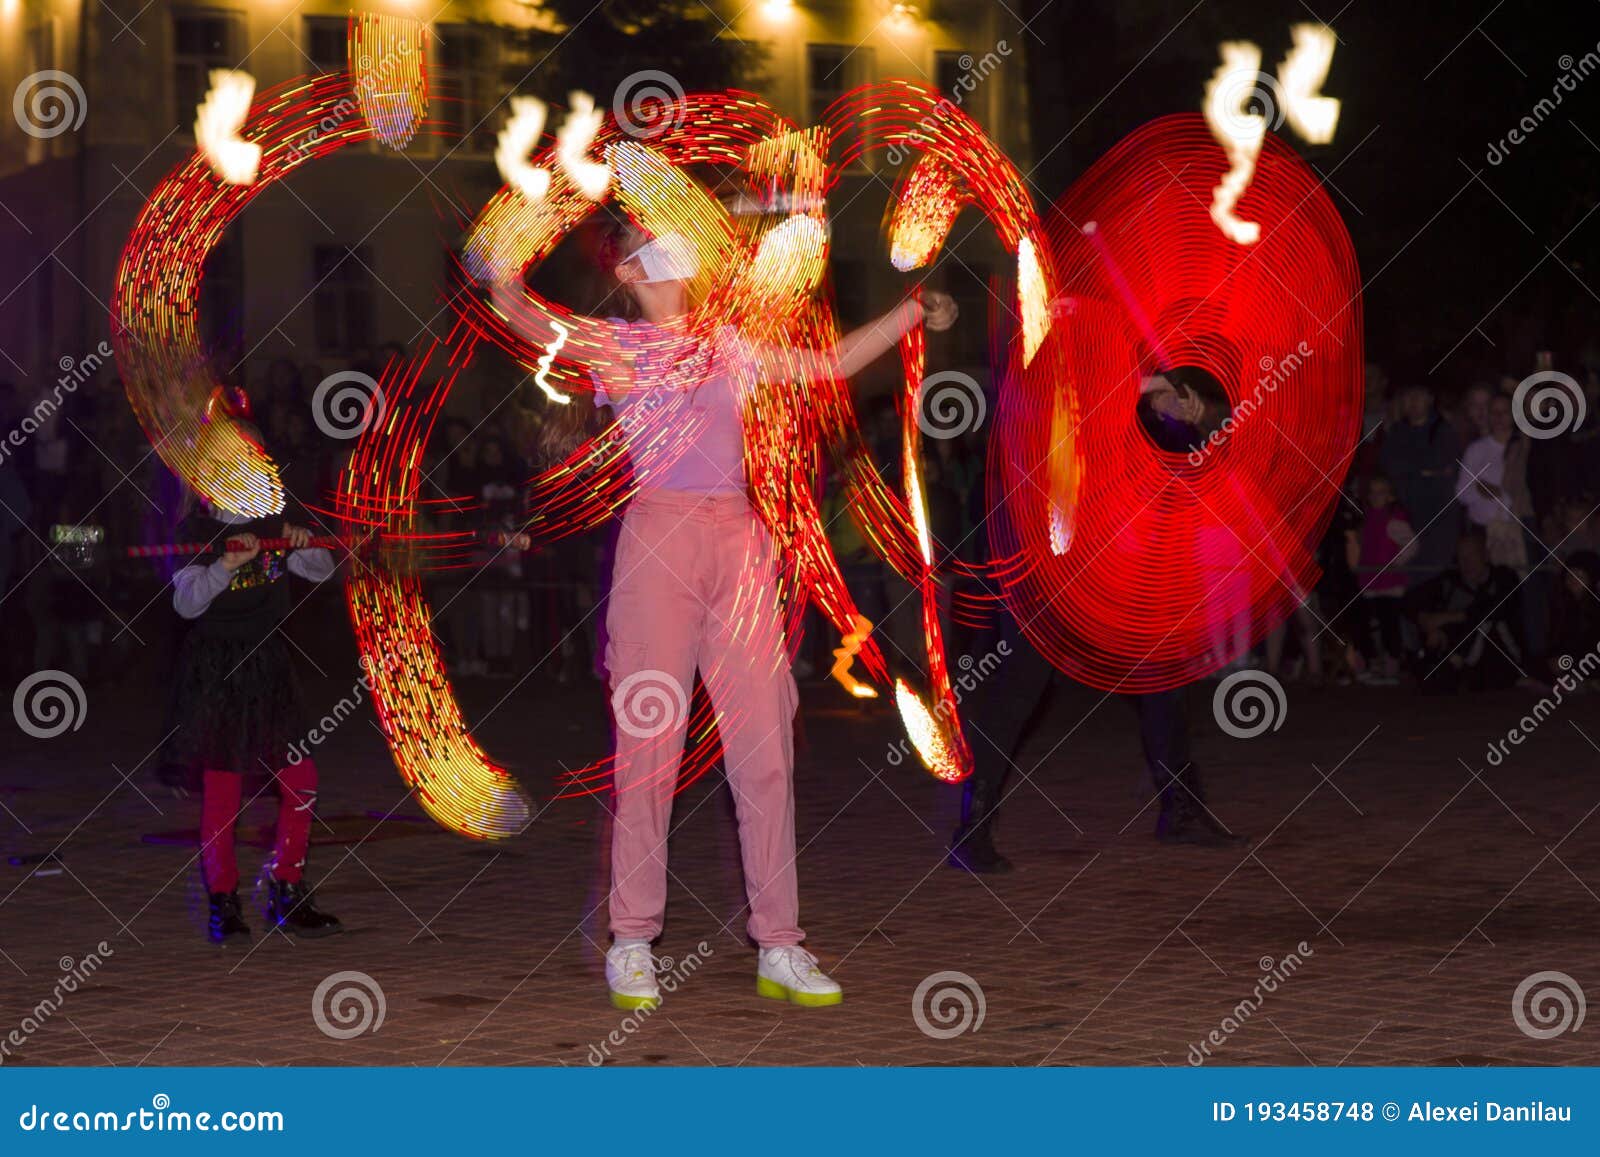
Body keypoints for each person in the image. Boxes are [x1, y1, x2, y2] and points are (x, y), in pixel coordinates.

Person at [493, 220, 958, 1010]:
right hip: (659, 544)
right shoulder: (617, 345)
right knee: (650, 750)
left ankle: (780, 943)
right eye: (640, 248)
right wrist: (501, 258)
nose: (655, 254)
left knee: (766, 748)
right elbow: (524, 316)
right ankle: (633, 939)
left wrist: (912, 312)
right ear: (629, 274)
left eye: (659, 242)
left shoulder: (728, 346)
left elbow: (827, 365)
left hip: (740, 541)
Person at [949, 368, 1248, 876]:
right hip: (1043, 573)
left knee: (1160, 680)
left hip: (1116, 580)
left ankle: (1181, 809)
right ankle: (973, 827)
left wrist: (1200, 414)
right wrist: (1152, 387)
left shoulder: (1158, 432)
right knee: (1018, 693)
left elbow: (1217, 450)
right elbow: (1092, 396)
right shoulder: (1062, 398)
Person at [170, 473, 343, 944]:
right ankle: (223, 901)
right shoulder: (197, 531)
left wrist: (302, 546)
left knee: (301, 781)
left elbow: (323, 570)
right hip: (218, 671)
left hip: (268, 664)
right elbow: (185, 604)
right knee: (224, 792)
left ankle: (287, 888)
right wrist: (225, 564)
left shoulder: (276, 520)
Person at [1406, 528, 1523, 694]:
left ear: (1486, 555)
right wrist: (1427, 621)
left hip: (1502, 657)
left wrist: (1448, 618)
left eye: (1471, 555)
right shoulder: (1450, 581)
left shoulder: (1504, 578)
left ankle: (1453, 664)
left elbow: (1494, 608)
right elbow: (1410, 600)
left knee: (1484, 622)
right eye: (1461, 557)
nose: (1466, 563)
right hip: (1466, 657)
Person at [1381, 383, 1459, 578]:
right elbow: (1390, 468)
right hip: (1405, 517)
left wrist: (1416, 470)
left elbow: (1442, 467)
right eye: (1409, 395)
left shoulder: (1443, 430)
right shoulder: (1396, 432)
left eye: (1419, 395)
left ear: (1430, 399)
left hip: (1438, 518)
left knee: (1436, 574)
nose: (1414, 401)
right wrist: (1421, 471)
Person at [1349, 475, 1415, 685]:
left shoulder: (1394, 520)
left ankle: (1392, 663)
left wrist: (1395, 562)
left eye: (1381, 492)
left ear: (1390, 496)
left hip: (1389, 584)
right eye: (1373, 492)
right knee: (1366, 622)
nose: (1376, 496)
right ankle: (1371, 661)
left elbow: (1412, 544)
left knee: (1389, 624)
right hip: (1370, 581)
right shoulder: (1367, 519)